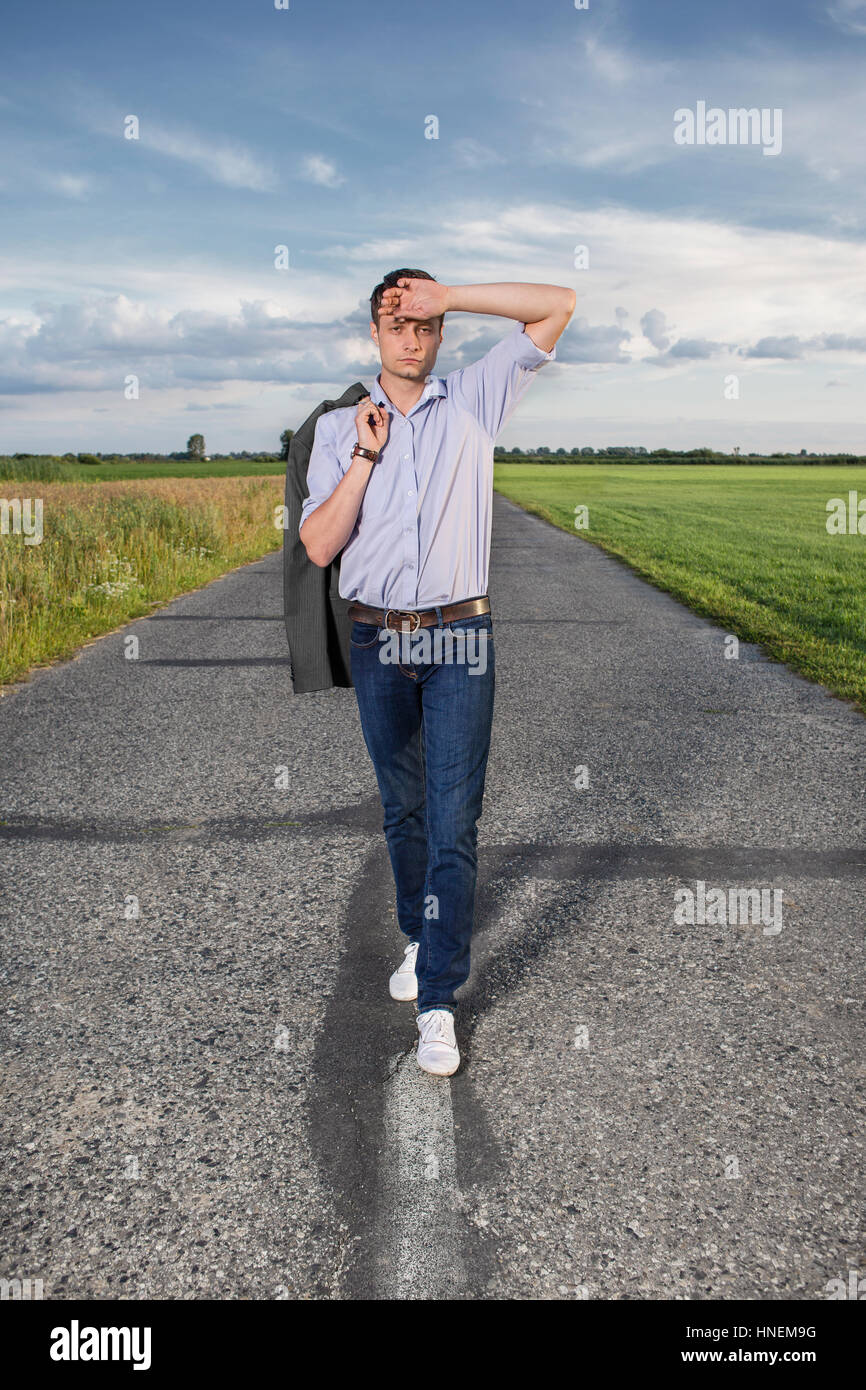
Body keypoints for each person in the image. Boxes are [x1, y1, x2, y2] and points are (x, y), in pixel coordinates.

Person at [299, 269, 574, 1075]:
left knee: (454, 821)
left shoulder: (477, 398)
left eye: (423, 324)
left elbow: (558, 304)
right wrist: (363, 455)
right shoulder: (338, 426)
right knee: (404, 813)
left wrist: (446, 289)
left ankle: (439, 1002)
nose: (411, 338)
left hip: (460, 636)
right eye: (397, 323)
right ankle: (422, 939)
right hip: (379, 639)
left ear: (439, 332)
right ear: (374, 336)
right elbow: (320, 546)